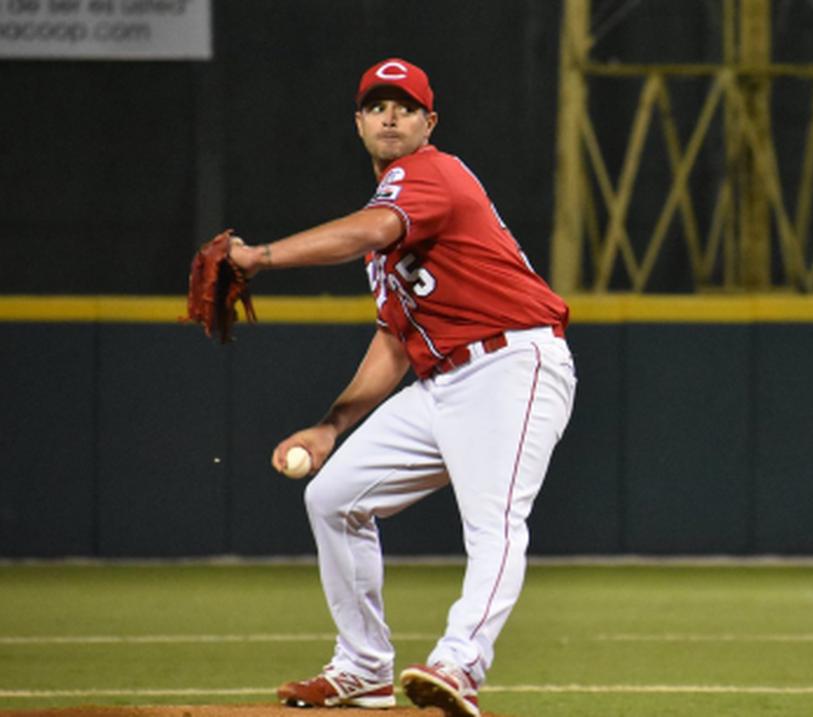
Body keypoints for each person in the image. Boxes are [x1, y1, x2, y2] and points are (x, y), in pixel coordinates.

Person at [228, 57, 577, 717]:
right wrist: (332, 426)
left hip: (514, 363)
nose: (391, 115)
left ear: (429, 123)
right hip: (442, 379)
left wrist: (261, 256)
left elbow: (372, 228)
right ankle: (362, 667)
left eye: (406, 106)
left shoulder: (431, 175)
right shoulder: (383, 230)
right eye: (377, 105)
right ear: (358, 121)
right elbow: (394, 340)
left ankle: (460, 664)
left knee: (495, 522)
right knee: (333, 496)